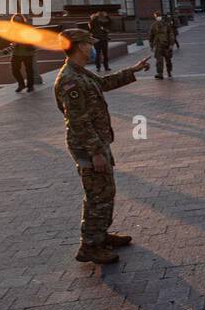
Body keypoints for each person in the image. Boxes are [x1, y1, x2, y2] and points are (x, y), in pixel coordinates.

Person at [53, 28, 151, 264]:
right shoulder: (70, 80)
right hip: (88, 147)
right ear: (80, 46)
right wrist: (96, 152)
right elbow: (78, 121)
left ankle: (100, 235)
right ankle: (89, 246)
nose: (92, 47)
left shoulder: (80, 73)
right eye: (89, 43)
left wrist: (133, 70)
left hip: (96, 142)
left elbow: (104, 83)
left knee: (105, 191)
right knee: (97, 194)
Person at [9, 11, 37, 93]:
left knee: (29, 70)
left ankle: (30, 86)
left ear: (22, 21)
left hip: (27, 52)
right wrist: (12, 43)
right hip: (16, 52)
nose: (17, 22)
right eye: (15, 20)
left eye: (19, 20)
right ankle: (21, 84)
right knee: (14, 70)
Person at [149, 11, 177, 79]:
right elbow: (151, 36)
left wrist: (171, 44)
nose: (157, 17)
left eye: (158, 15)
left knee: (168, 60)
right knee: (159, 61)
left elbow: (171, 35)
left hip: (166, 45)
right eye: (156, 16)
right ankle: (160, 73)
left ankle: (169, 71)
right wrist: (151, 45)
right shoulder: (153, 25)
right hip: (158, 45)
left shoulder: (167, 25)